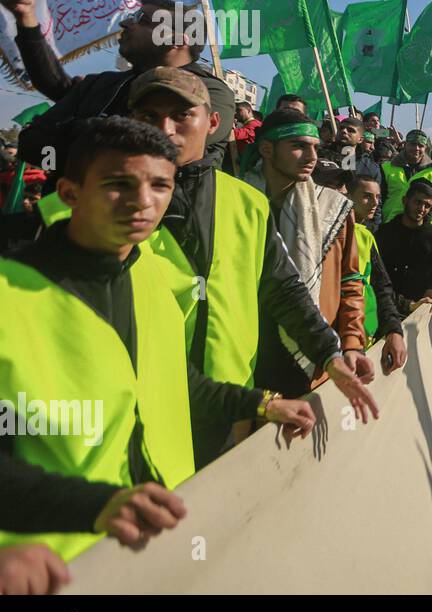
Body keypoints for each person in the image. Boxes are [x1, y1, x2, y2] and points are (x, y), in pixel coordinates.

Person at [0, 118, 313, 566]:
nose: (142, 202)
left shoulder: (152, 274)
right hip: (56, 560)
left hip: (153, 543)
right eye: (118, 184)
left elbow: (170, 382)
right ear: (70, 193)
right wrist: (87, 508)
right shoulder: (9, 293)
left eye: (159, 186)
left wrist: (262, 404)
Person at [123, 70, 372, 463]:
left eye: (182, 116)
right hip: (137, 414)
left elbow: (283, 287)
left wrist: (331, 353)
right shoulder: (106, 208)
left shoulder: (243, 203)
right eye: (149, 117)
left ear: (213, 123)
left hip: (230, 406)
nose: (165, 130)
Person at [9, 0, 235, 169]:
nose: (125, 24)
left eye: (142, 20)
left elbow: (162, 152)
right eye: (131, 16)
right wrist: (27, 22)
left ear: (176, 40)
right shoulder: (103, 83)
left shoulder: (211, 92)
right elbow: (32, 145)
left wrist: (76, 132)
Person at [247, 109, 377, 411]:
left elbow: (350, 281)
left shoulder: (334, 209)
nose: (311, 156)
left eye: (315, 147)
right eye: (298, 146)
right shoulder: (236, 203)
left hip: (314, 353)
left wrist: (352, 342)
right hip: (248, 352)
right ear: (267, 149)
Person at [340, 171, 407, 373]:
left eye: (378, 197)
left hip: (365, 331)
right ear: (348, 197)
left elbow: (380, 286)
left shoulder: (366, 235)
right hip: (338, 341)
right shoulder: (331, 233)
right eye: (367, 196)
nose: (375, 202)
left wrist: (393, 329)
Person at [376, 178, 432, 309]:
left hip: (419, 309)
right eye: (417, 202)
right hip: (385, 306)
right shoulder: (384, 233)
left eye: (427, 205)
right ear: (405, 201)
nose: (421, 209)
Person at [378, 129, 432, 223]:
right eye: (413, 144)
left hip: (416, 229)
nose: (416, 148)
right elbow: (378, 200)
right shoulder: (386, 168)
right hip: (387, 225)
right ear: (405, 145)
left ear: (425, 148)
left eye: (420, 146)